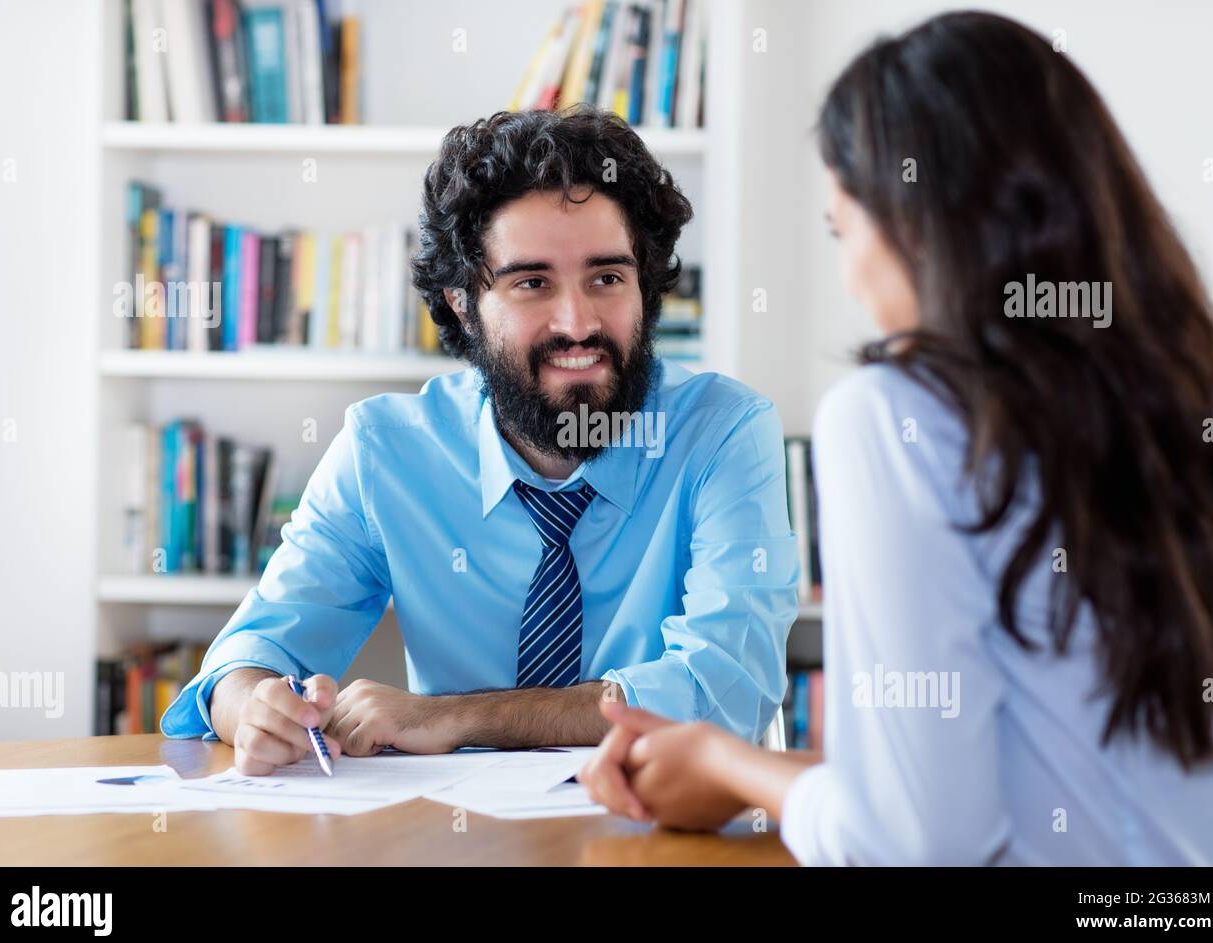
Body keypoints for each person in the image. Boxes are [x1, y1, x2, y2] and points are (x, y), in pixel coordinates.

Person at [579, 11, 1213, 866]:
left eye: (842, 228)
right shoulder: (1207, 392)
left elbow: (919, 845)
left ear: (914, 223)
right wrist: (749, 769)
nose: (848, 268)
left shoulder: (899, 417)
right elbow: (1043, 766)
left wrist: (726, 761)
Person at [160, 107, 798, 774]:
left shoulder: (724, 434)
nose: (577, 323)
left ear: (647, 287)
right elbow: (248, 656)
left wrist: (455, 718)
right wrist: (254, 707)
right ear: (464, 301)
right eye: (532, 283)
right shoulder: (386, 451)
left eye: (607, 278)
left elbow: (729, 690)